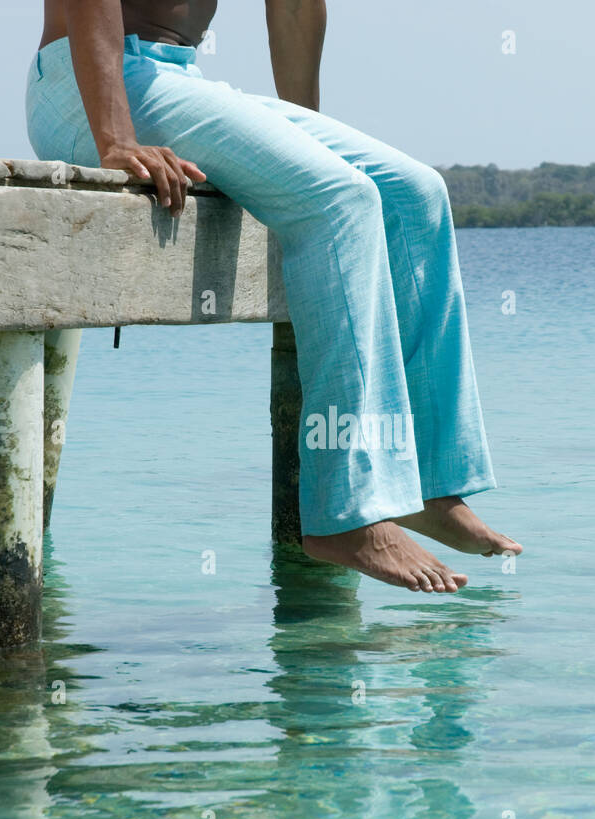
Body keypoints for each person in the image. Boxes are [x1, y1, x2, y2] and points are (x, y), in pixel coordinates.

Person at [27, 0, 521, 593]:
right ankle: (350, 511)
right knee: (342, 198)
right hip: (92, 84)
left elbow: (293, 10)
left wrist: (295, 155)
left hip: (182, 78)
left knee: (416, 195)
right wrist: (114, 138)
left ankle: (429, 486)